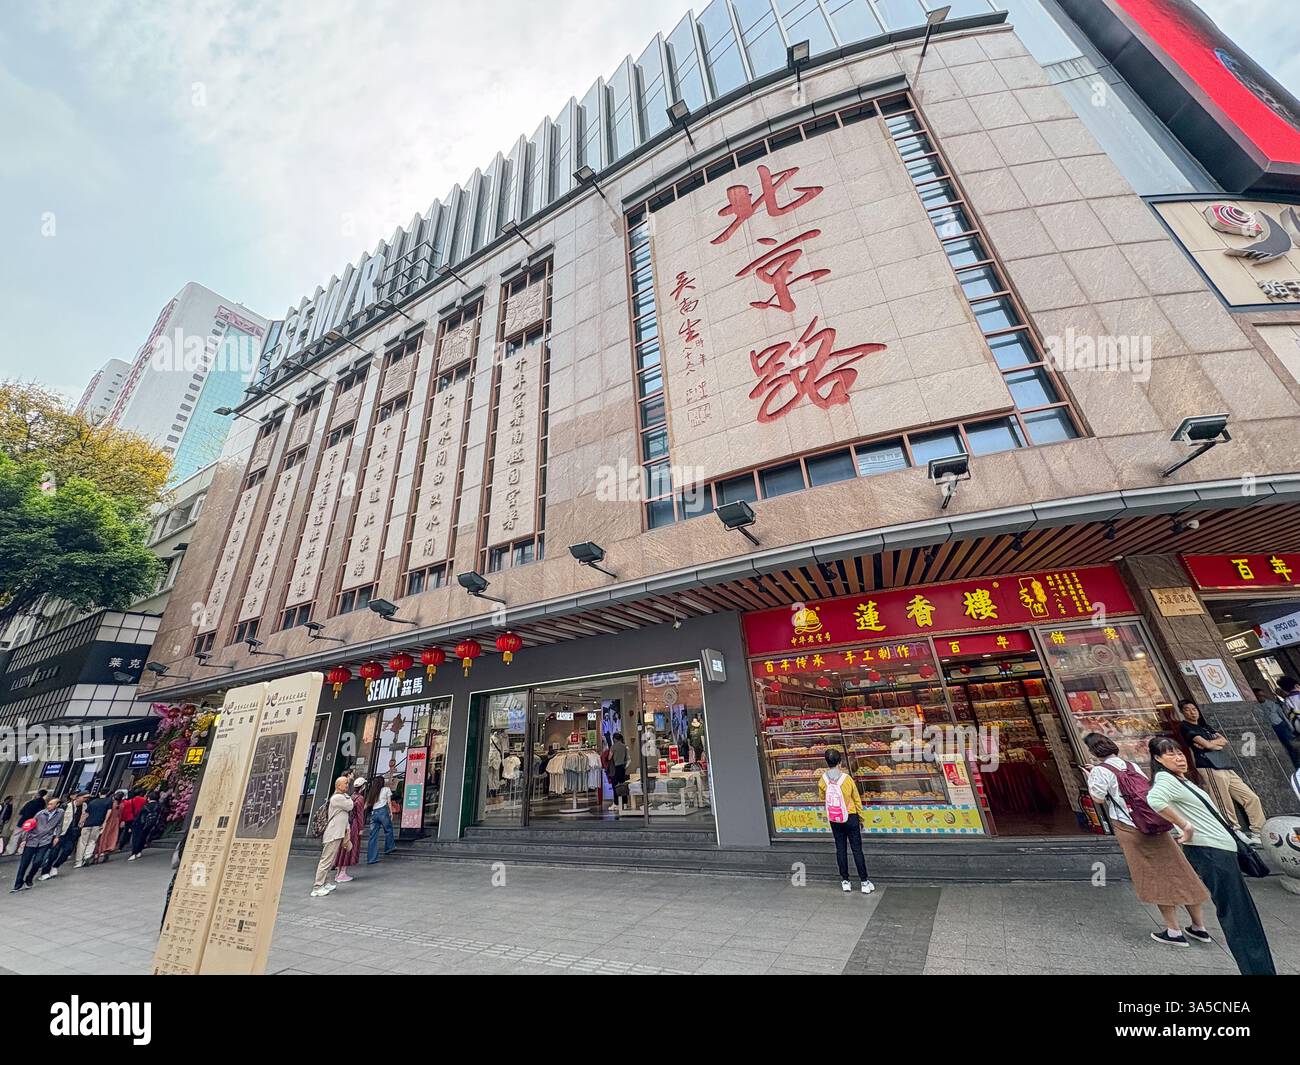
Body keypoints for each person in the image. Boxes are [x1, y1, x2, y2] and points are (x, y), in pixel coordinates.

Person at [1146, 736, 1276, 976]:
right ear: (1157, 759)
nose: (1179, 758)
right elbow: (1154, 799)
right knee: (1237, 915)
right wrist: (1185, 826)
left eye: (1179, 753)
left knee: (1242, 912)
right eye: (1170, 754)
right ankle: (1257, 969)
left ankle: (1261, 968)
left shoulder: (1181, 779)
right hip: (1210, 851)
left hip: (1219, 849)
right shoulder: (1165, 779)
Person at [1082, 733, 1211, 947]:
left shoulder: (1099, 771)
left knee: (1153, 876)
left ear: (1093, 751)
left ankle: (1173, 930)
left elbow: (1098, 798)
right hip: (1155, 823)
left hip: (1129, 827)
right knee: (1180, 871)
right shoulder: (1131, 765)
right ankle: (1199, 927)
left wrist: (1090, 777)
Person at [1178, 700, 1266, 843]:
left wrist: (1211, 744)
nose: (1192, 712)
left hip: (1224, 765)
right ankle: (1234, 832)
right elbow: (1207, 745)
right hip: (1209, 766)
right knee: (1223, 802)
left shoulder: (1204, 726)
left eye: (1194, 709)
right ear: (1182, 712)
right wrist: (1211, 744)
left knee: (1251, 797)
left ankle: (1258, 831)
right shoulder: (1185, 727)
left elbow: (1223, 741)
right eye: (1187, 709)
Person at [818, 749, 874, 894]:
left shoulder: (823, 780)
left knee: (840, 849)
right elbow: (857, 799)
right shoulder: (847, 779)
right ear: (840, 762)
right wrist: (861, 818)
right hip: (850, 816)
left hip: (835, 818)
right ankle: (864, 882)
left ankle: (845, 881)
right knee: (857, 849)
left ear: (827, 762)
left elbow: (822, 797)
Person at [312, 776, 355, 897]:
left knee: (330, 861)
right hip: (333, 833)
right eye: (345, 783)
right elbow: (350, 805)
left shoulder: (340, 797)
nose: (347, 785)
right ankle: (317, 886)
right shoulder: (337, 798)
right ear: (338, 786)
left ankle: (325, 882)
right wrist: (348, 797)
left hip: (337, 833)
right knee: (326, 860)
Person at [11, 797, 61, 892]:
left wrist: (57, 836)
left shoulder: (60, 813)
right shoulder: (40, 814)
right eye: (48, 804)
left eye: (51, 804)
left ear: (57, 805)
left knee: (38, 861)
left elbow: (59, 825)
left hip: (45, 841)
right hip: (32, 840)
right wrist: (24, 840)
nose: (49, 806)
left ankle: (29, 878)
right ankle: (18, 883)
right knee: (24, 863)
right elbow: (30, 825)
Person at [39, 791, 86, 879]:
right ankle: (45, 871)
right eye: (84, 797)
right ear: (77, 798)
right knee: (53, 853)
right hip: (61, 832)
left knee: (67, 851)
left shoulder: (84, 806)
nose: (86, 799)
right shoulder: (66, 806)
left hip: (72, 833)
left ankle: (55, 866)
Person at [334, 777, 366, 884]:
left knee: (343, 848)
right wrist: (361, 828)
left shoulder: (351, 796)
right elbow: (360, 814)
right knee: (349, 847)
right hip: (354, 825)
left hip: (347, 824)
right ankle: (342, 872)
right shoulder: (360, 799)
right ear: (363, 787)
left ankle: (338, 872)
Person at [77, 790, 113, 867]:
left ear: (99, 793)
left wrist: (81, 822)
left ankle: (79, 861)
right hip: (98, 824)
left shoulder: (93, 802)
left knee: (82, 842)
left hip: (87, 824)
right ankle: (87, 856)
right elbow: (108, 813)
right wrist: (104, 822)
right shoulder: (109, 802)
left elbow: (86, 813)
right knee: (92, 841)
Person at [366, 775, 395, 864]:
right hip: (383, 812)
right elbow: (389, 802)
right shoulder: (386, 789)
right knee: (388, 829)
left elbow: (367, 804)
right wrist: (391, 812)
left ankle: (371, 858)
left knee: (373, 836)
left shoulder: (372, 791)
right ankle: (389, 847)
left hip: (374, 813)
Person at [127, 791, 161, 861]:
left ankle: (134, 853)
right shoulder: (158, 806)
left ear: (149, 798)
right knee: (144, 837)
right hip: (150, 824)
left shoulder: (145, 806)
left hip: (141, 824)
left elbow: (139, 816)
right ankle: (139, 851)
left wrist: (132, 826)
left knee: (136, 838)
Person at [92, 793, 123, 864]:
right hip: (115, 822)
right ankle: (107, 851)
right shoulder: (121, 805)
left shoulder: (110, 804)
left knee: (102, 837)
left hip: (107, 821)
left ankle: (98, 853)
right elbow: (120, 815)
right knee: (111, 837)